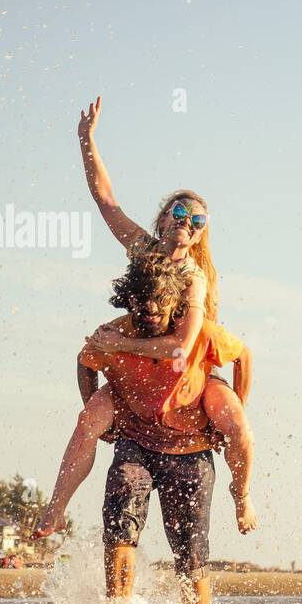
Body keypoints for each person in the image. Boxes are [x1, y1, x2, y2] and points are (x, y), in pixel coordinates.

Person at [36, 253, 252, 604]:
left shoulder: (200, 332)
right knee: (120, 529)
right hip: (136, 442)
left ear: (174, 301)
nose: (148, 310)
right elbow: (85, 362)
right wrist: (106, 408)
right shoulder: (112, 332)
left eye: (158, 302)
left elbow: (243, 354)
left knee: (190, 553)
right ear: (127, 300)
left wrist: (234, 402)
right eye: (138, 302)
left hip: (191, 450)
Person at [76, 96, 256, 534]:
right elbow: (106, 203)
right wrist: (87, 140)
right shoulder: (143, 251)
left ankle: (244, 493)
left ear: (201, 233)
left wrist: (120, 344)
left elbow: (184, 345)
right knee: (89, 371)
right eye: (180, 213)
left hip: (190, 369)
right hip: (140, 368)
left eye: (198, 220)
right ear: (163, 218)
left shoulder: (196, 277)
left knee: (236, 423)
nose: (187, 223)